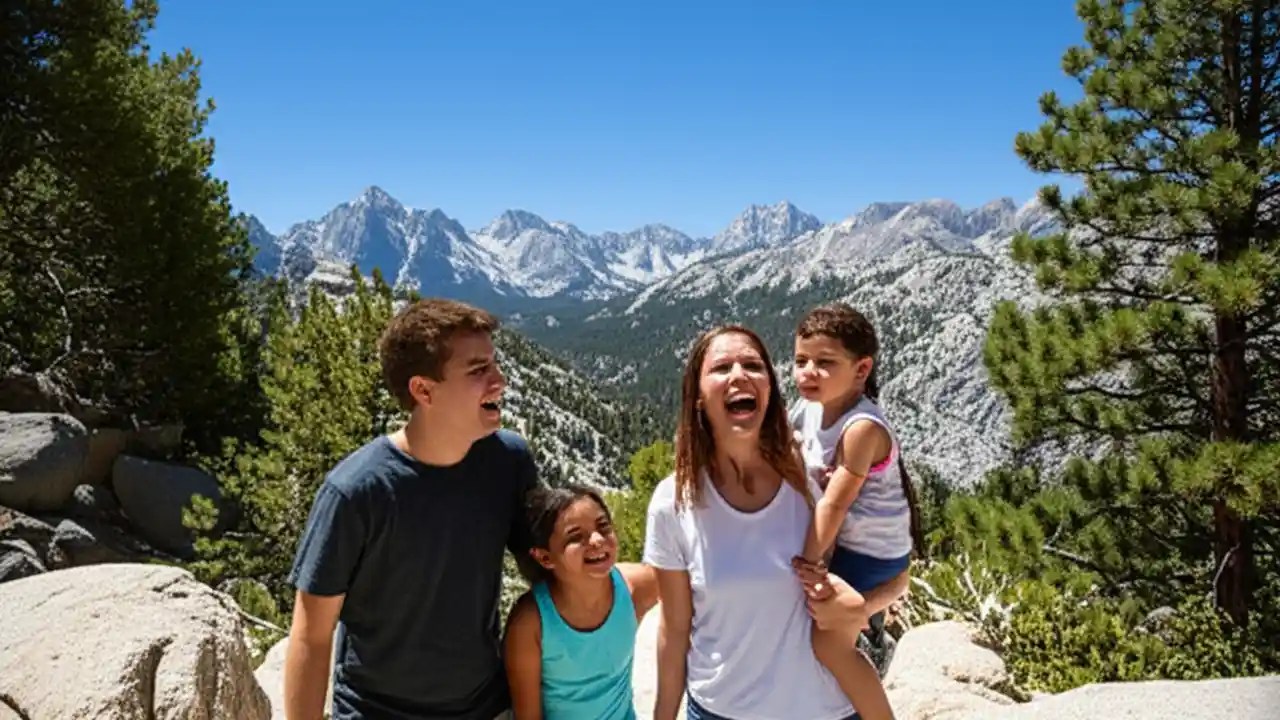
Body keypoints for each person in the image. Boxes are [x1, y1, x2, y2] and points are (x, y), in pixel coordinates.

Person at [283, 298, 539, 720]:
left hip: (483, 708)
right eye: (479, 371)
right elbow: (311, 635)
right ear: (423, 390)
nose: (501, 381)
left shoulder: (508, 461)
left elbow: (546, 568)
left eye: (494, 365)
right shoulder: (355, 492)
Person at [643, 324, 899, 720]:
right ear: (697, 396)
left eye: (752, 365)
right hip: (720, 711)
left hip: (825, 710)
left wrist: (862, 606)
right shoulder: (673, 502)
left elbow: (898, 574)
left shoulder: (815, 480)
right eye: (722, 367)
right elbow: (674, 630)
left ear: (769, 388)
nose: (739, 375)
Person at [791, 302, 922, 688]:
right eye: (801, 360)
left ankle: (857, 686)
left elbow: (836, 502)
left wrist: (810, 564)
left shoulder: (861, 427)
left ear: (861, 370)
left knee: (827, 636)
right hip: (846, 543)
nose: (807, 372)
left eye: (824, 362)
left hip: (872, 552)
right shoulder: (808, 408)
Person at [503, 485, 659, 719]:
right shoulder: (530, 623)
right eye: (576, 536)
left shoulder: (634, 588)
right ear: (545, 557)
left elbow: (699, 584)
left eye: (603, 526)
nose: (597, 540)